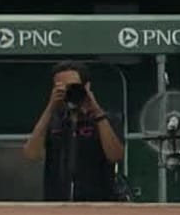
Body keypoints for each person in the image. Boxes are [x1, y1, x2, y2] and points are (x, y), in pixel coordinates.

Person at [22, 60, 125, 201]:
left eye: (73, 86)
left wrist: (96, 111)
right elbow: (31, 155)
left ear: (86, 86)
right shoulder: (52, 120)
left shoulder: (106, 120)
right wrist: (51, 108)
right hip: (57, 201)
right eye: (61, 87)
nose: (69, 91)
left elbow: (115, 156)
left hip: (98, 201)